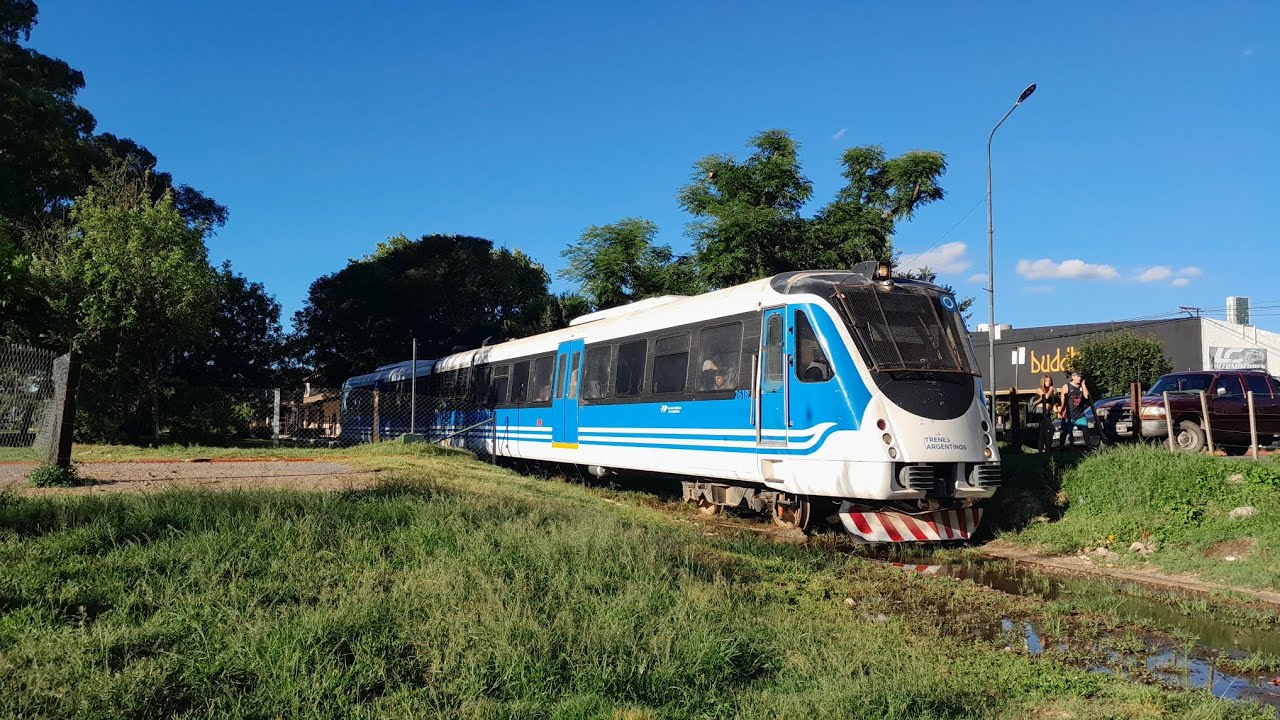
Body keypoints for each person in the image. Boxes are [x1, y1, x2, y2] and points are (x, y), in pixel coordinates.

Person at [1058, 370, 1091, 449]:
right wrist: (1060, 412)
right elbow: (1062, 401)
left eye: (1080, 376)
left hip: (1080, 415)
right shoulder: (1067, 386)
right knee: (1065, 432)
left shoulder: (1081, 387)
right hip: (1068, 414)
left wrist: (1083, 384)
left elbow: (1087, 396)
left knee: (1086, 431)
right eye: (1078, 376)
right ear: (1073, 377)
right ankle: (1061, 448)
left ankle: (1090, 448)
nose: (1079, 378)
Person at [1030, 374, 1059, 452]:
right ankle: (1046, 448)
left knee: (1043, 431)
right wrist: (1050, 390)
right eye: (1046, 381)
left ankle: (1044, 449)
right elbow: (1045, 397)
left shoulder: (1051, 392)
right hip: (1040, 412)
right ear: (1043, 382)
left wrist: (1057, 412)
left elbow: (1052, 404)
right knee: (1051, 429)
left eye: (1050, 381)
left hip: (1047, 412)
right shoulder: (1039, 389)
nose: (1049, 382)